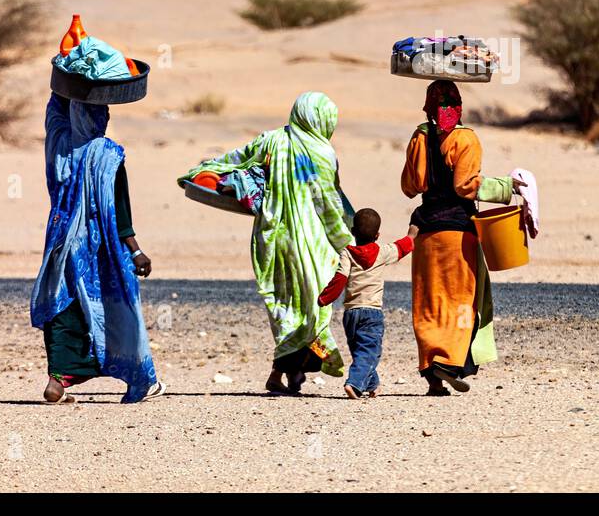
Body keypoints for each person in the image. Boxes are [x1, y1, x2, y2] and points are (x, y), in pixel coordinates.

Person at [187, 91, 353, 394]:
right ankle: (292, 371)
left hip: (273, 237)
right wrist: (346, 240)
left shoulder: (273, 140)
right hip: (311, 244)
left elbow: (233, 160)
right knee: (312, 308)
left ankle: (284, 374)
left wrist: (202, 171)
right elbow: (327, 201)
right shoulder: (322, 154)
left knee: (286, 308)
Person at [31, 93, 163, 403]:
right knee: (116, 306)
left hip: (61, 243)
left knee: (65, 305)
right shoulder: (107, 155)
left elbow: (53, 117)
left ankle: (58, 379)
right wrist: (135, 250)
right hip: (99, 247)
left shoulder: (60, 146)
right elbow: (118, 209)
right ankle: (139, 378)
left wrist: (62, 86)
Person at [400, 80, 517, 396]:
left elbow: (411, 185)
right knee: (459, 301)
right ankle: (450, 361)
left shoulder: (419, 137)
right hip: (457, 234)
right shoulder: (466, 139)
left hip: (425, 234)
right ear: (459, 105)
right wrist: (507, 187)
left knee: (429, 303)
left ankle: (433, 375)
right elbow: (466, 186)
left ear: (427, 106)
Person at [318, 208, 416, 399]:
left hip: (351, 314)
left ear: (353, 232)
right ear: (378, 235)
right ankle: (354, 384)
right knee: (370, 351)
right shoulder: (382, 252)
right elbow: (403, 246)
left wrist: (325, 298)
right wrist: (412, 233)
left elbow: (339, 278)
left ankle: (372, 385)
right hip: (372, 313)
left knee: (360, 351)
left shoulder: (347, 253)